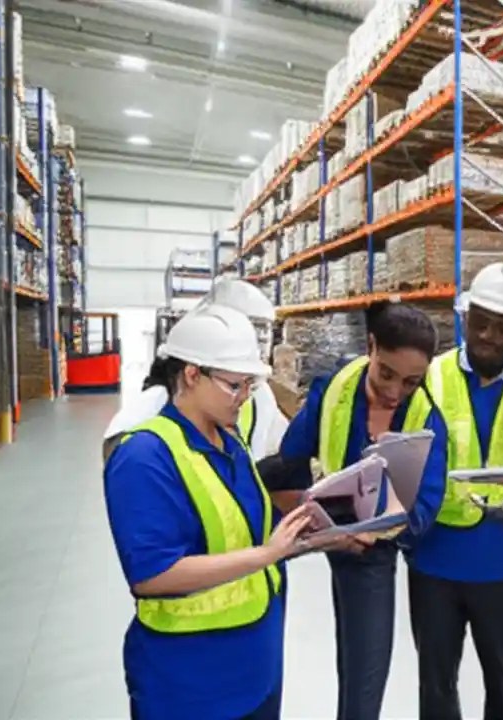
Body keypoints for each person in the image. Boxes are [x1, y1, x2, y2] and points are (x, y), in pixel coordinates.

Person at [103, 304, 327, 719]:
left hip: (255, 666)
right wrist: (267, 555)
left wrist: (318, 529)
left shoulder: (230, 439)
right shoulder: (144, 456)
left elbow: (247, 526)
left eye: (249, 385)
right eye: (234, 386)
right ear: (191, 374)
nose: (245, 397)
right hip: (191, 683)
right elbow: (153, 575)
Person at [269, 301, 448, 720]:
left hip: (372, 552)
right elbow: (291, 461)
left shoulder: (426, 418)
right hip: (325, 534)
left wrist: (376, 530)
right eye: (386, 373)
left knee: (364, 674)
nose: (394, 391)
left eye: (410, 382)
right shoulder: (333, 392)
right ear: (371, 345)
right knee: (342, 659)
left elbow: (424, 508)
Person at [407, 263, 503, 720]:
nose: (489, 335)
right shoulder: (430, 377)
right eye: (481, 322)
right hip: (434, 562)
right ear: (464, 318)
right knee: (436, 685)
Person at [103, 278, 289, 462]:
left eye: (264, 331)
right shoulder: (164, 398)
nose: (260, 340)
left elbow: (281, 445)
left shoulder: (261, 396)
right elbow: (118, 449)